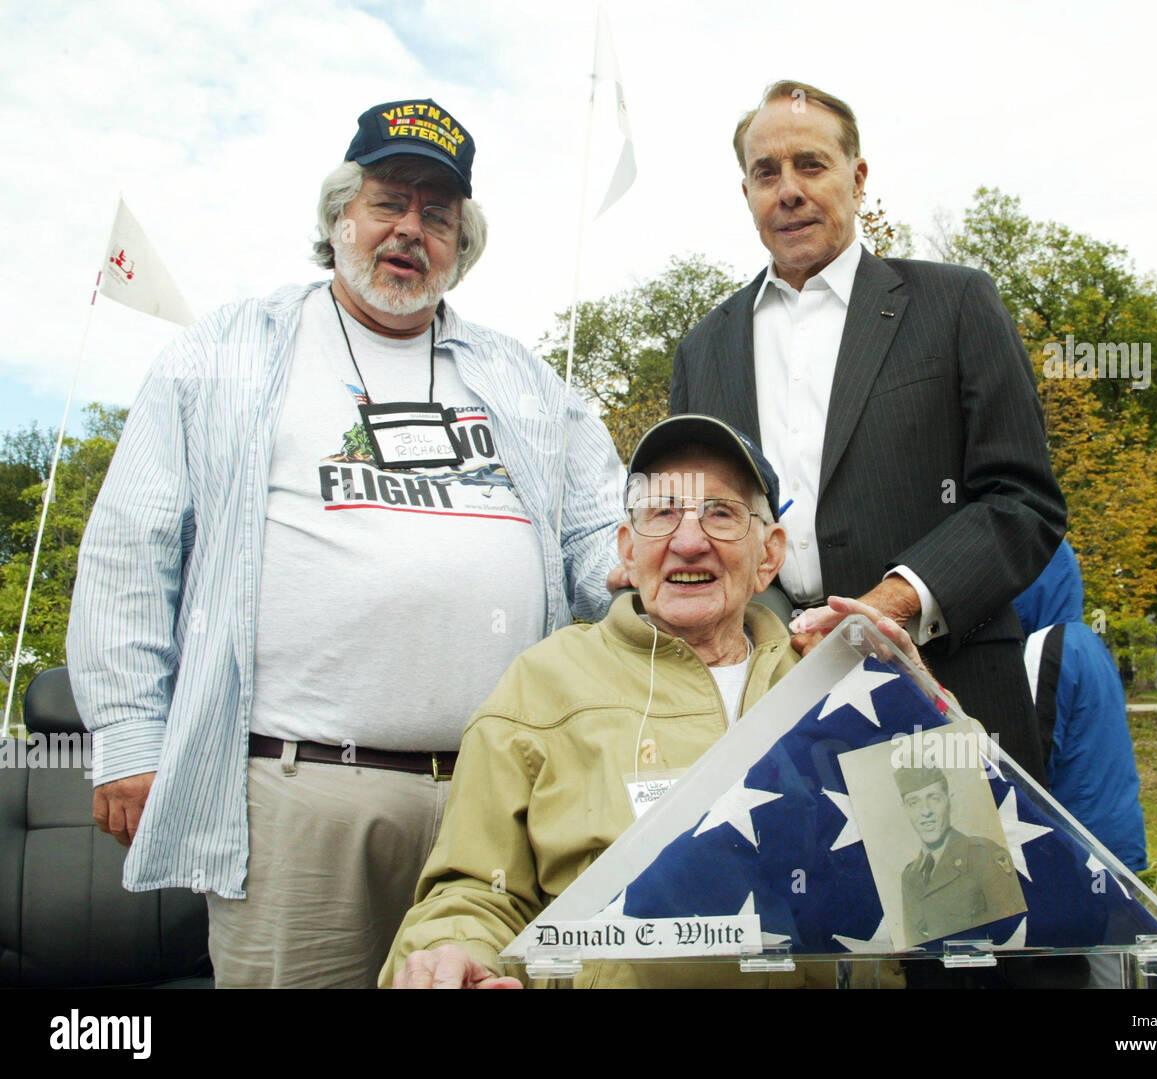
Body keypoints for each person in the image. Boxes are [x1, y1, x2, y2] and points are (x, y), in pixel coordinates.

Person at [65, 96, 624, 988]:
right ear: (338, 219)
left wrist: (649, 573)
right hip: (303, 796)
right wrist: (130, 736)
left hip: (503, 800)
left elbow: (600, 531)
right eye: (387, 203)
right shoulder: (229, 351)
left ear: (462, 247)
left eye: (437, 217)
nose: (410, 231)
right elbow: (133, 546)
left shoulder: (520, 377)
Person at [381, 415, 917, 988]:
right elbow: (473, 891)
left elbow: (956, 880)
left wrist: (913, 698)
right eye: (661, 512)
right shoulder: (544, 683)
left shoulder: (840, 685)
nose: (688, 542)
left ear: (769, 555)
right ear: (627, 550)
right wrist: (455, 950)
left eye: (721, 513)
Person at [670, 80, 1067, 783]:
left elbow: (1022, 502)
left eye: (810, 165)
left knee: (952, 894)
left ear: (857, 178)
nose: (788, 189)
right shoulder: (703, 350)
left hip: (944, 693)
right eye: (767, 172)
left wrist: (891, 604)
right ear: (747, 195)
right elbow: (695, 526)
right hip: (771, 717)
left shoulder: (955, 304)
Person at [1013, 540, 1147, 873]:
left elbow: (1032, 759)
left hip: (1080, 848)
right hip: (1115, 838)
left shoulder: (1047, 644)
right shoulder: (1089, 643)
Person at [895, 766, 1022, 946]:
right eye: (913, 803)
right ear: (905, 810)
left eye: (934, 798)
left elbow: (1012, 936)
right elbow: (914, 948)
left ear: (949, 801)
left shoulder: (982, 855)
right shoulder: (910, 876)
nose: (925, 812)